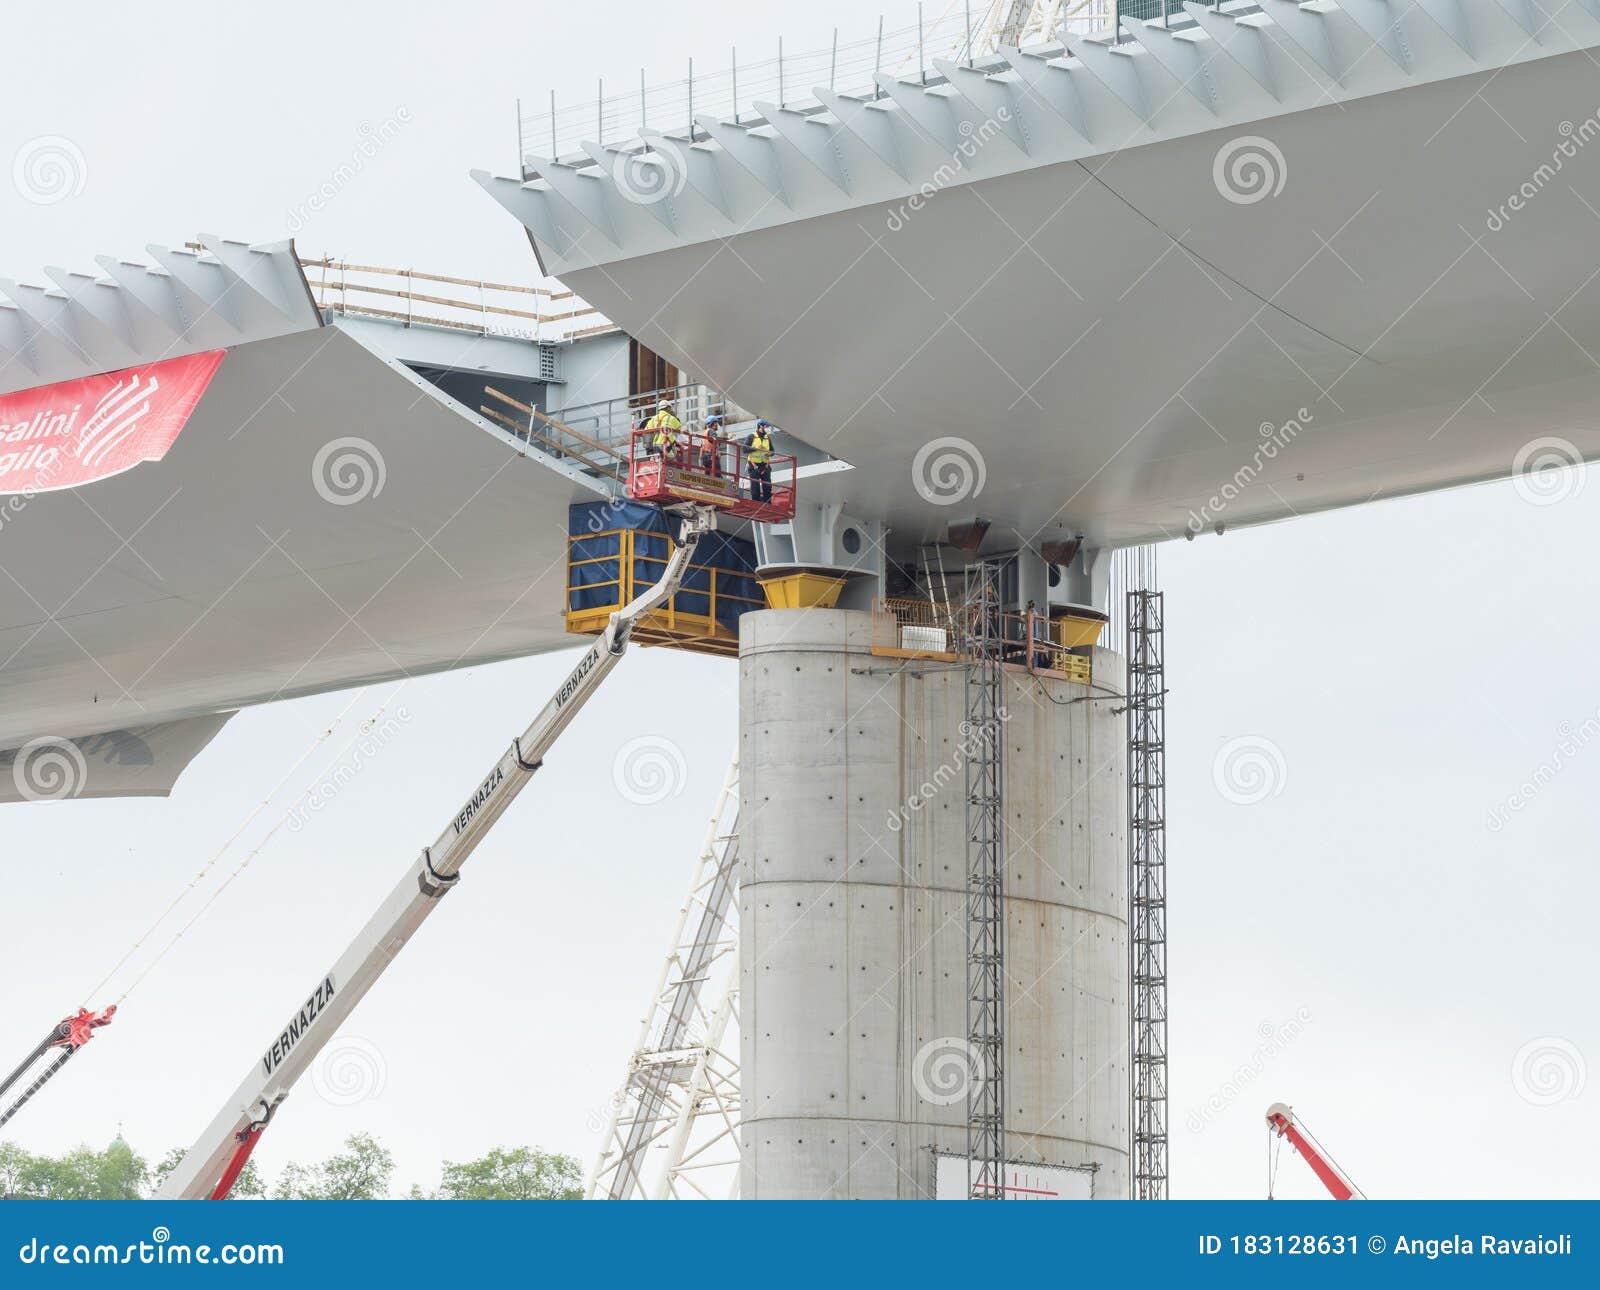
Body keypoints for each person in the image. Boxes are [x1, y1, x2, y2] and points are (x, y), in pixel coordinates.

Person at [747, 418, 775, 503]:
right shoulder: (752, 436)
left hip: (765, 465)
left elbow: (772, 451)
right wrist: (755, 448)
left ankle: (767, 503)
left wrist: (769, 454)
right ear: (760, 425)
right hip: (754, 465)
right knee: (755, 487)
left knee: (767, 486)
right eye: (765, 426)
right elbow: (744, 449)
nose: (766, 428)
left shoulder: (767, 438)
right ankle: (756, 502)